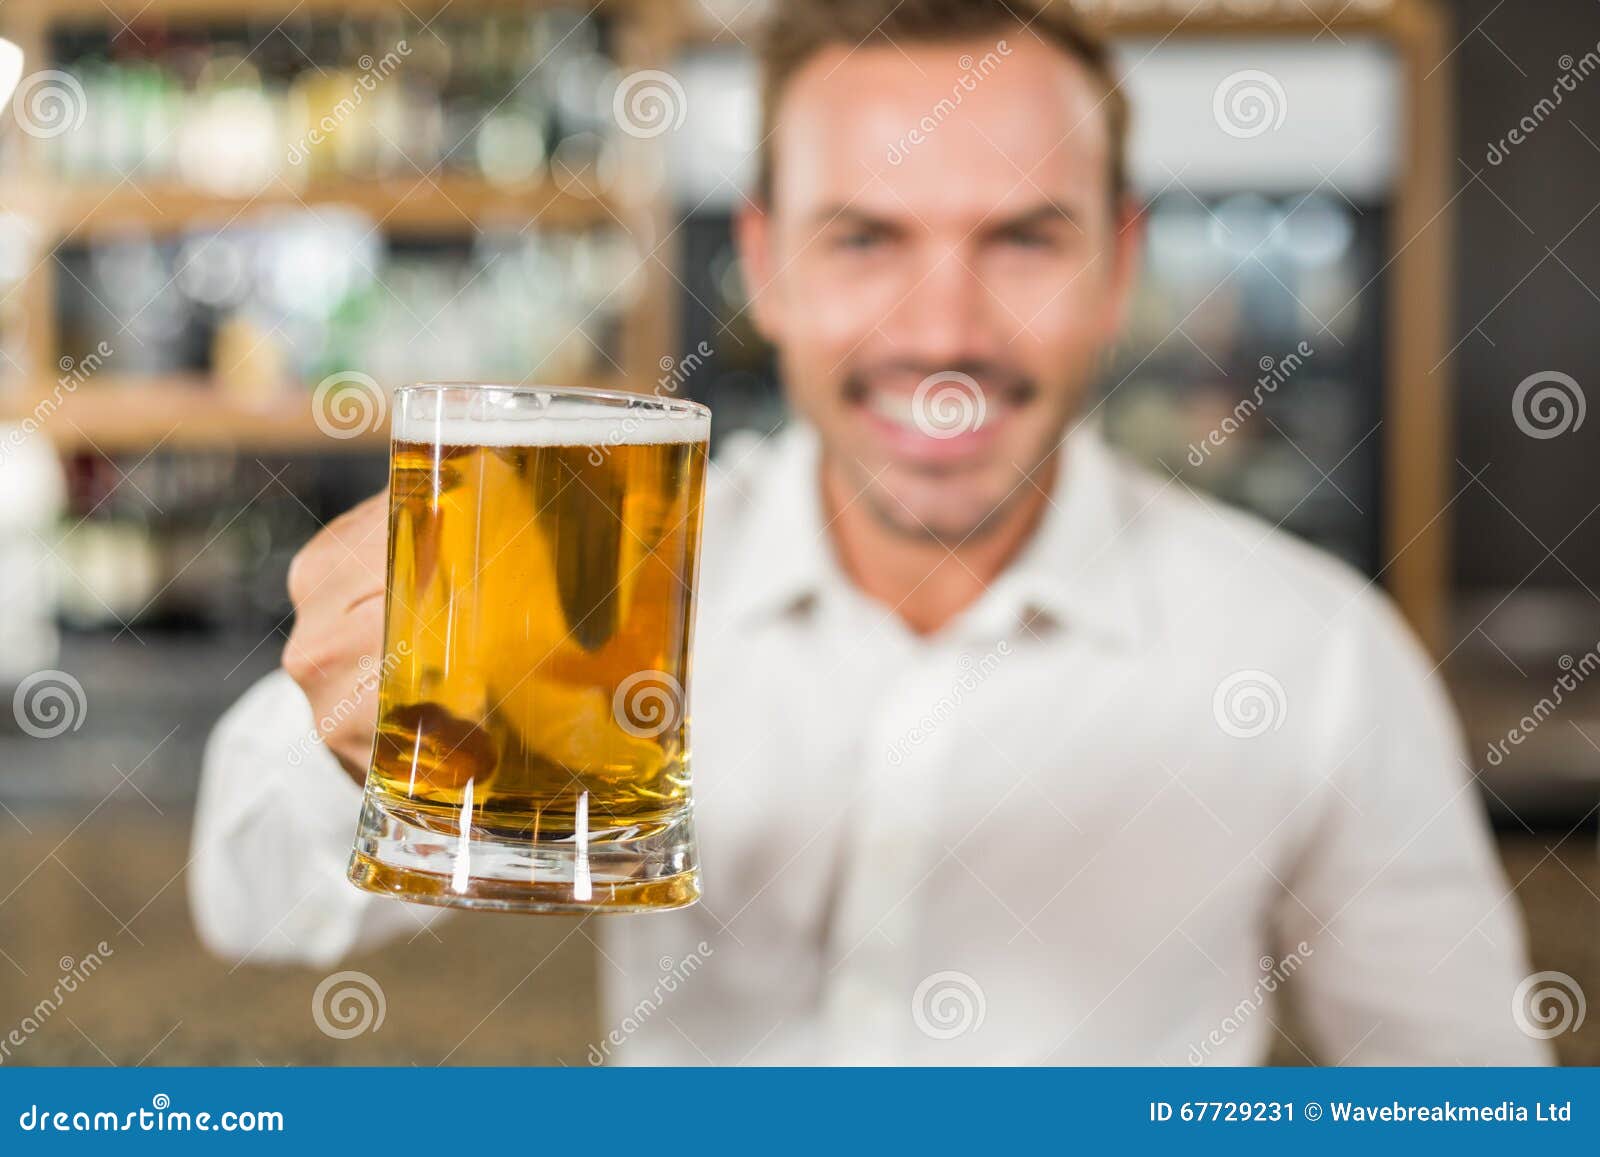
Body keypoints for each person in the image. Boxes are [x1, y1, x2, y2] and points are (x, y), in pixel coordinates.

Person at [189, 0, 1547, 1065]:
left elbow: (1467, 1091)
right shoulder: (597, 578)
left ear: (1118, 266)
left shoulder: (1314, 654)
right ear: (767, 266)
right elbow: (250, 904)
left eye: (1021, 237)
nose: (942, 328)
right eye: (866, 239)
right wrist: (355, 733)